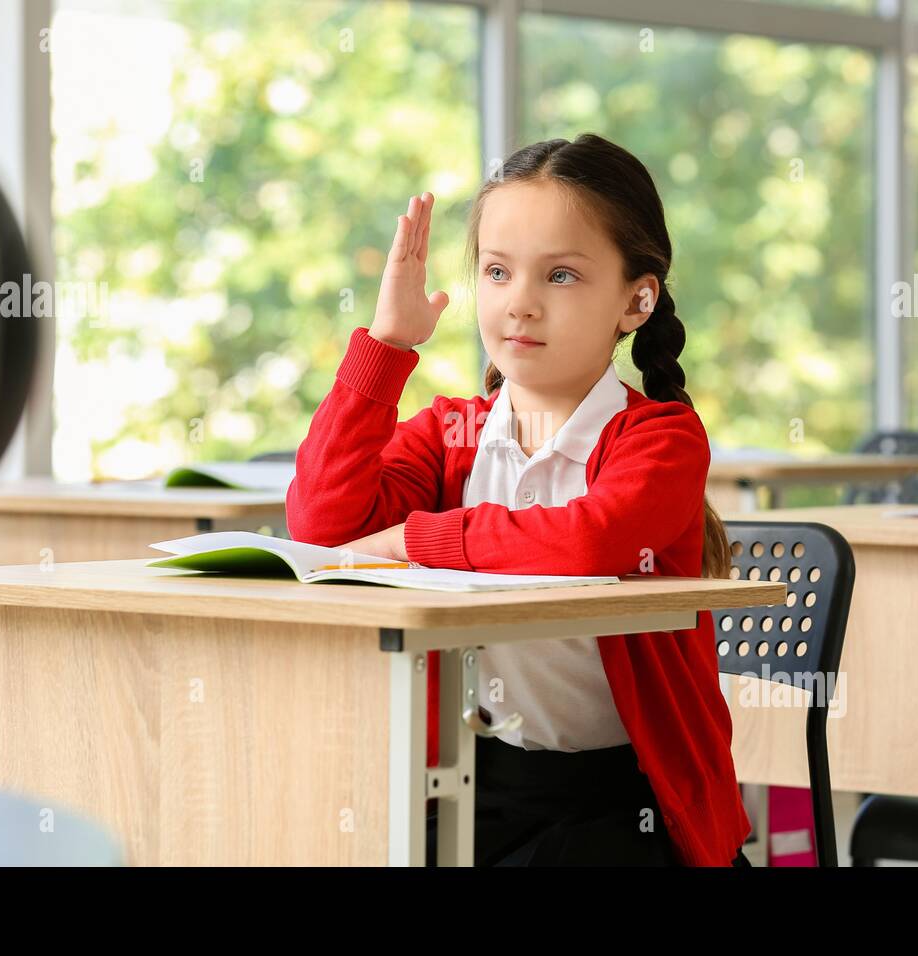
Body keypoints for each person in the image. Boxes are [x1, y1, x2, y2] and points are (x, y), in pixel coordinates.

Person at [287, 133, 750, 866]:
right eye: (498, 272)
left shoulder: (659, 438)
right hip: (470, 785)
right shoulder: (451, 434)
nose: (521, 304)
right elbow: (323, 527)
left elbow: (591, 542)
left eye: (560, 276)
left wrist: (417, 540)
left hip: (620, 802)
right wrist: (387, 344)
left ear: (637, 300)